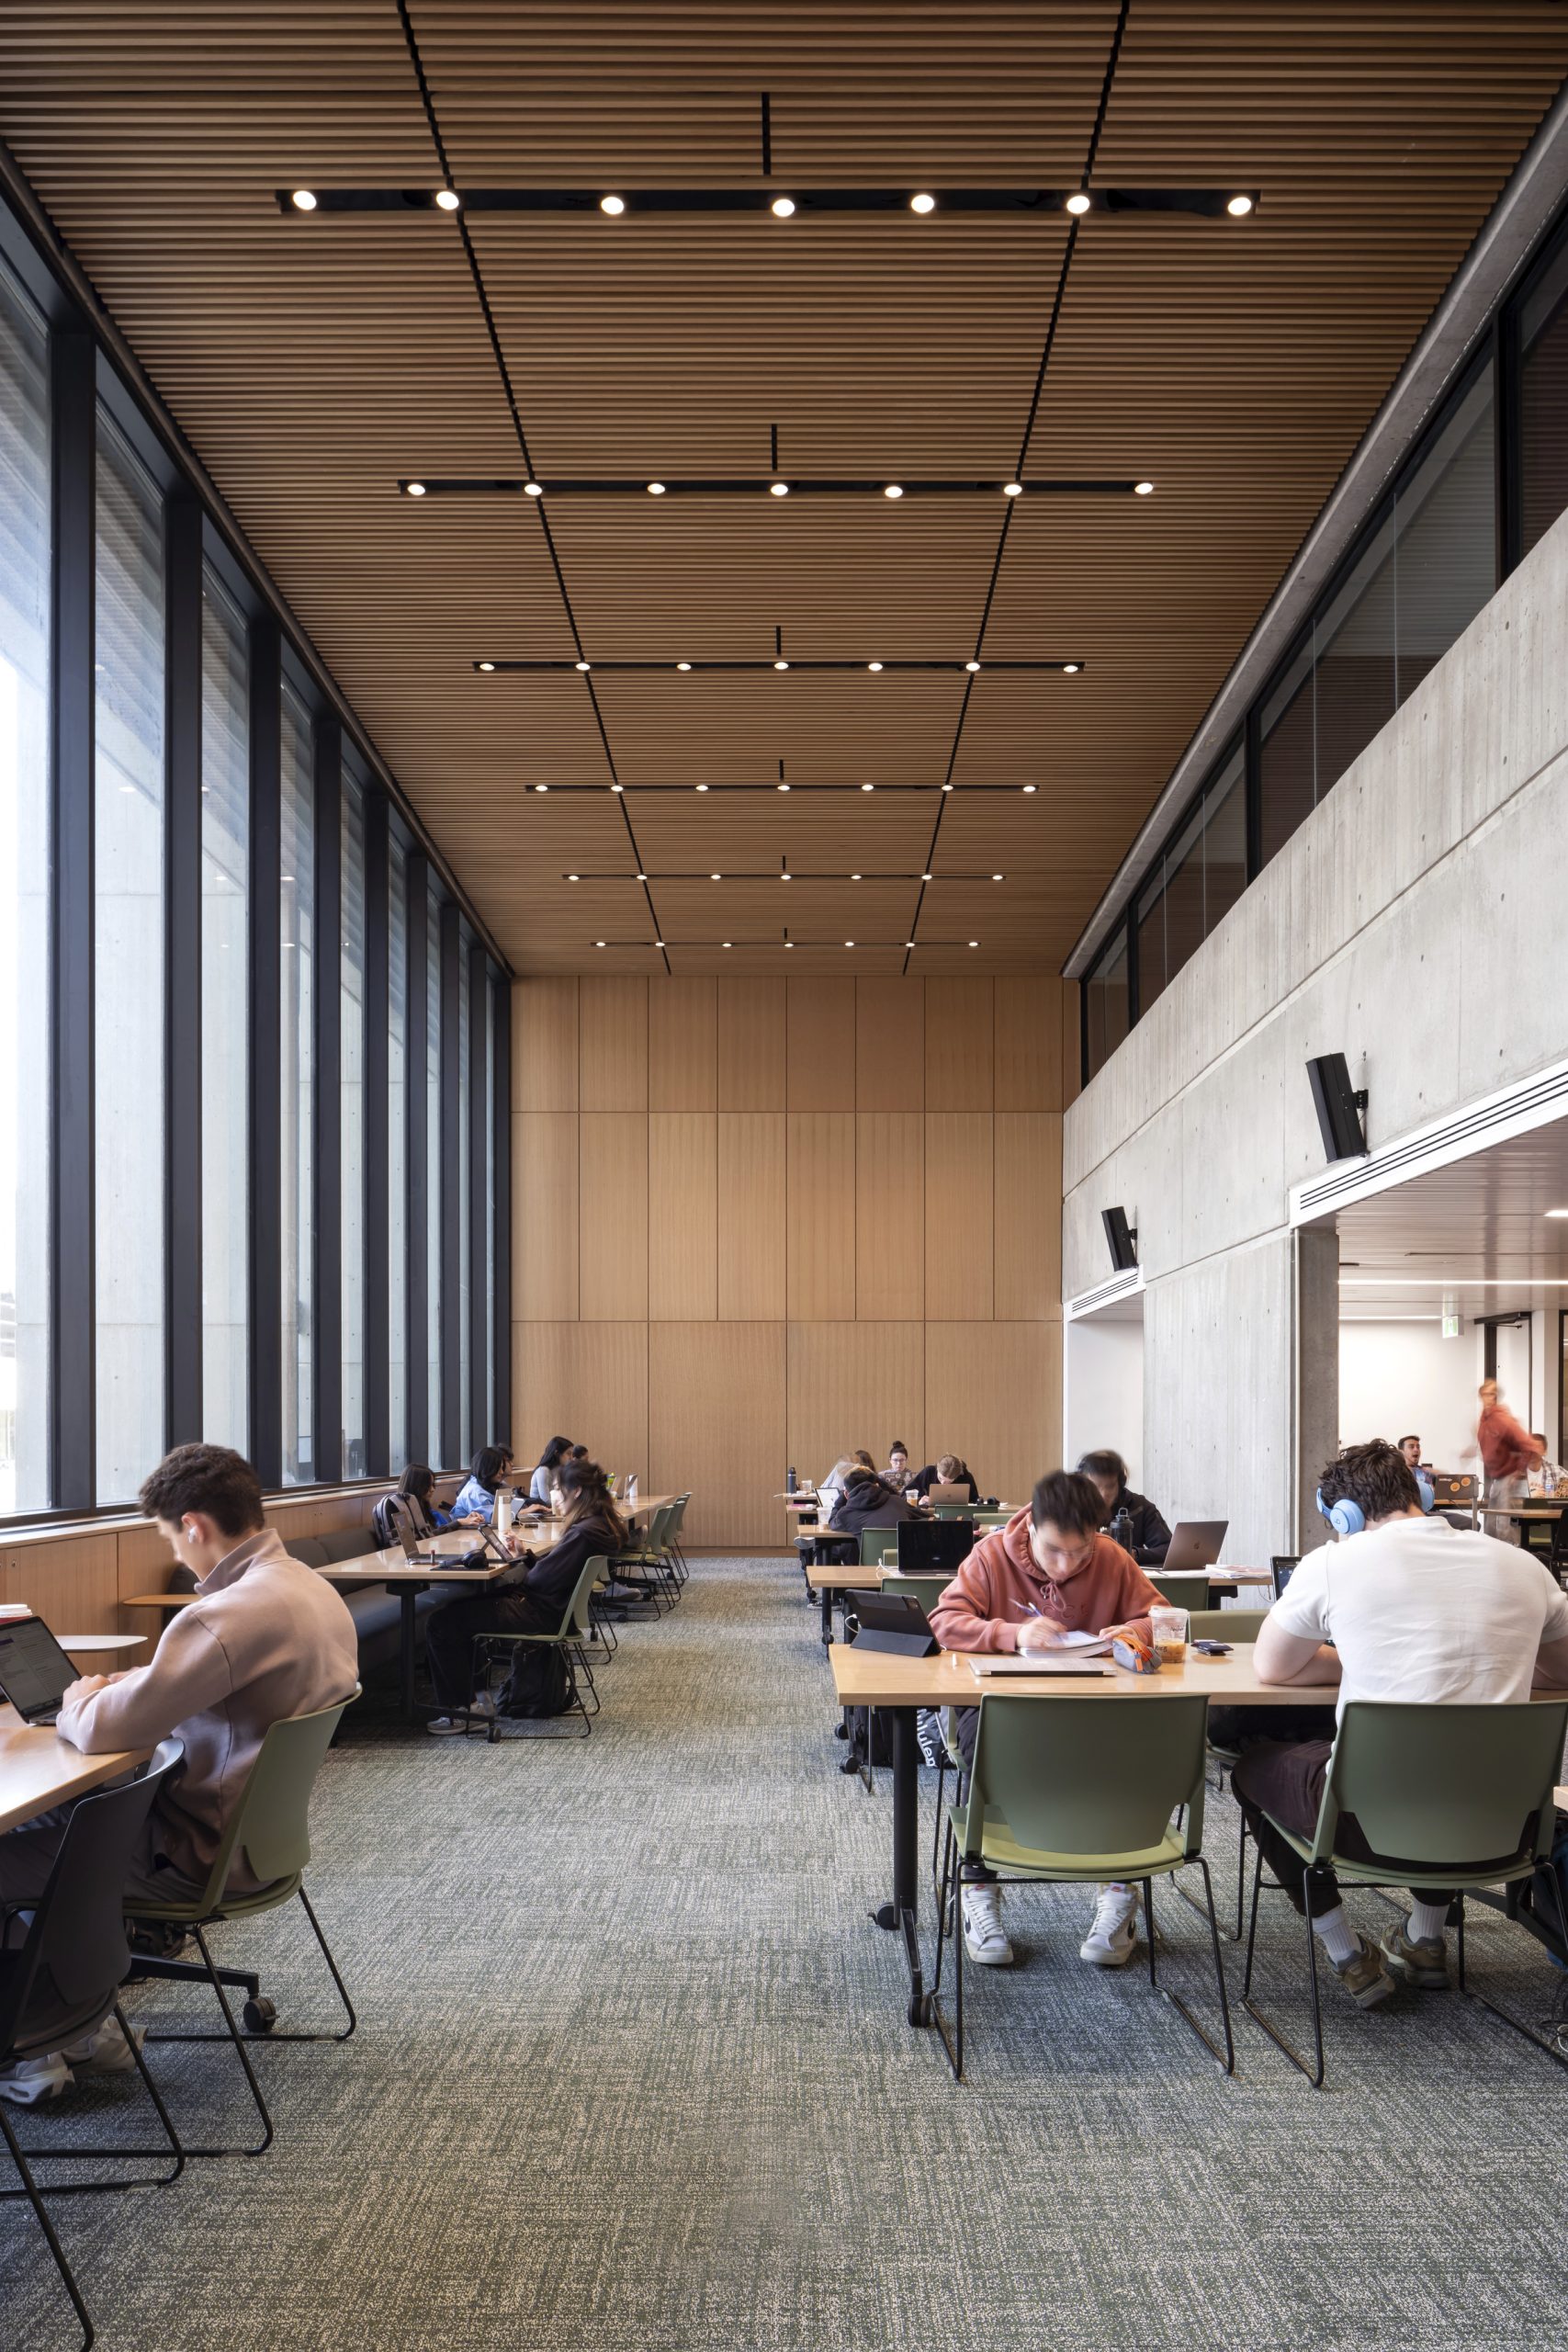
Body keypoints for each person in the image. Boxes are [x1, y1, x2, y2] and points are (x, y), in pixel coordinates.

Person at [0, 1443, 359, 2106]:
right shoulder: (307, 1589)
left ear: (193, 1526)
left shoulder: (225, 1614)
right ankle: (83, 2027)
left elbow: (107, 1728)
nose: (178, 1552)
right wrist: (124, 1683)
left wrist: (81, 1699)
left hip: (193, 1851)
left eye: (170, 1536)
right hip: (258, 1841)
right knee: (69, 1816)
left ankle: (34, 2044)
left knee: (50, 1840)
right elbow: (191, 1680)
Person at [1232, 1439, 1568, 2012]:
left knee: (1252, 1768)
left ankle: (1345, 1954)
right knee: (1452, 1765)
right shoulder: (1524, 1566)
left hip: (1364, 1826)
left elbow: (1272, 1666)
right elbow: (1560, 1673)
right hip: (1505, 1823)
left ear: (1345, 1517)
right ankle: (1424, 1939)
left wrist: (1353, 1656)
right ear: (1423, 1495)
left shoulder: (1334, 1563)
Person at [929, 1470, 1165, 1971]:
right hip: (1005, 1709)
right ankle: (978, 1886)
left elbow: (1162, 1618)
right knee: (988, 1746)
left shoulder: (1113, 1558)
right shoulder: (992, 1555)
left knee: (1142, 1744)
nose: (1067, 1565)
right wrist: (1013, 1634)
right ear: (1031, 1526)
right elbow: (944, 1621)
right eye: (1055, 1550)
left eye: (1081, 1553)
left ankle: (1120, 1890)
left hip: (1096, 1708)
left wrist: (1131, 1629)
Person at [423, 1458, 628, 1733]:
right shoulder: (597, 1525)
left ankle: (462, 1711)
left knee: (441, 1623)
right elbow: (552, 1573)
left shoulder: (584, 1532)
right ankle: (475, 1702)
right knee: (459, 1611)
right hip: (548, 1609)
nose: (553, 1495)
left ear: (576, 1490)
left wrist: (525, 1564)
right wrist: (525, 1556)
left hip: (539, 1611)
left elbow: (540, 1579)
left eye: (557, 1488)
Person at [1076, 1449, 1172, 1565]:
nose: (1103, 1494)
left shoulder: (1140, 1507)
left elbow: (1169, 1549)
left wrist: (1134, 1554)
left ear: (1120, 1484)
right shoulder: (1071, 1509)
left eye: (1110, 1487)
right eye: (1095, 1486)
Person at [1477, 1378, 1542, 1544]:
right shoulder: (1485, 1421)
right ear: (1481, 1396)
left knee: (1505, 1528)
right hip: (1495, 1478)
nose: (1490, 1398)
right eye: (1486, 1394)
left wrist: (1518, 1471)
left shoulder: (1502, 1419)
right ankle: (1494, 1561)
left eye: (1493, 1394)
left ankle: (1514, 1561)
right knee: (1491, 1526)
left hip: (1507, 1477)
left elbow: (1530, 1446)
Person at [827, 1464, 922, 1543]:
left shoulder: (846, 1514)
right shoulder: (898, 1501)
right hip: (903, 1563)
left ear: (846, 1494)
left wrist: (840, 1499)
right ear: (877, 1486)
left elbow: (832, 1523)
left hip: (870, 1565)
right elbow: (928, 1517)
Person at [451, 1444, 508, 1524]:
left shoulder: (489, 1485)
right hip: (464, 1534)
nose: (502, 1472)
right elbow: (490, 1518)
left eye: (502, 1468)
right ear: (488, 1468)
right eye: (499, 1468)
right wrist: (519, 1513)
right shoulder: (475, 1492)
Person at [911, 1453, 979, 1502]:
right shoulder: (928, 1472)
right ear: (937, 1468)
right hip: (929, 1515)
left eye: (949, 1482)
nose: (943, 1483)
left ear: (958, 1476)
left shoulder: (966, 1477)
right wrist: (919, 1500)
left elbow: (975, 1502)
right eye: (940, 1478)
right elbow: (904, 1496)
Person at [527, 1435, 574, 1506]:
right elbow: (546, 1501)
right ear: (557, 1453)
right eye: (568, 1453)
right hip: (540, 1513)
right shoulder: (543, 1470)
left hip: (552, 1510)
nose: (571, 1458)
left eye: (572, 1454)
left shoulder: (560, 1469)